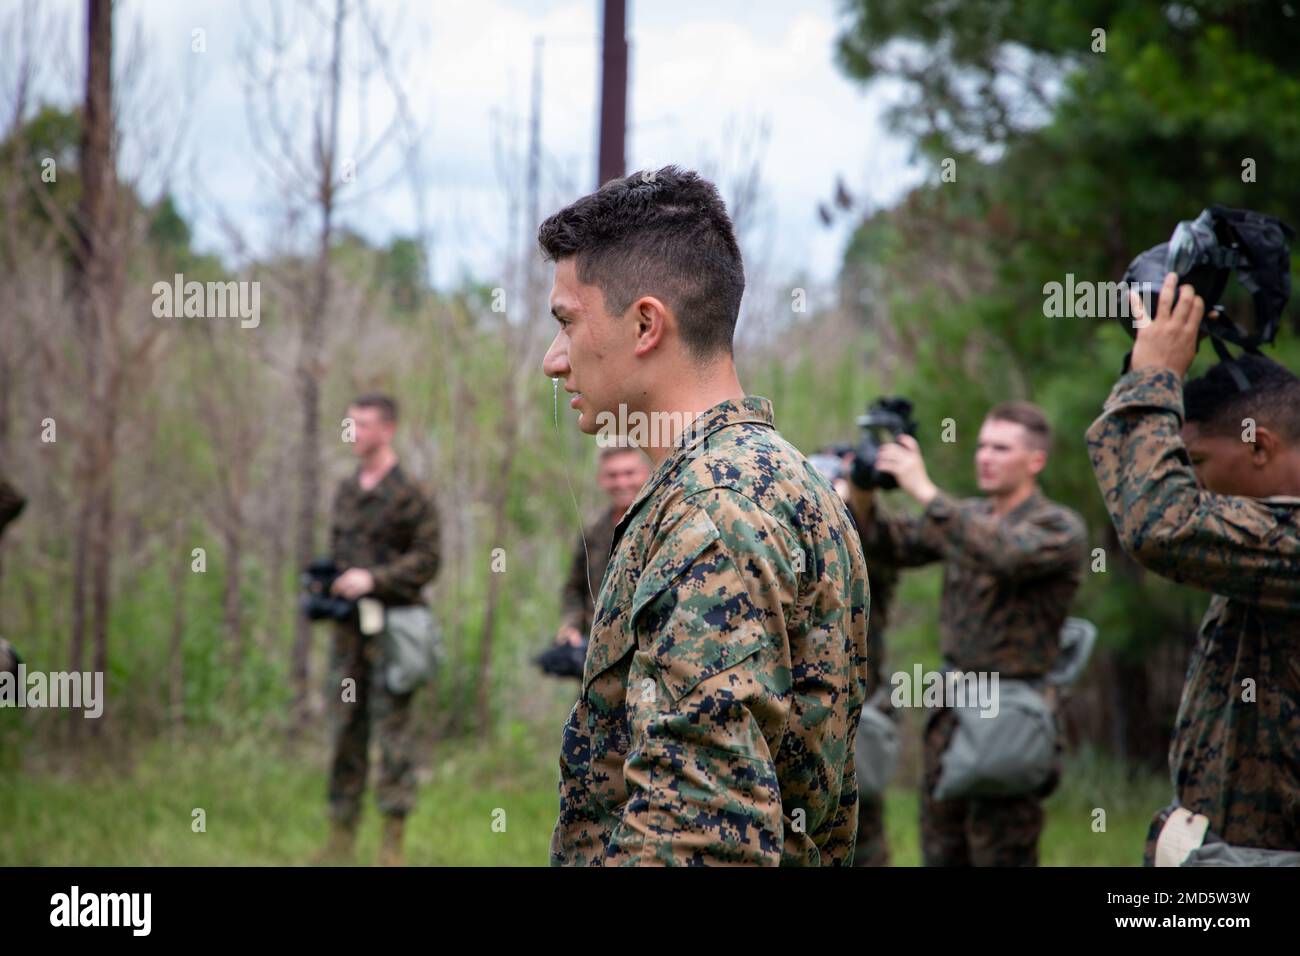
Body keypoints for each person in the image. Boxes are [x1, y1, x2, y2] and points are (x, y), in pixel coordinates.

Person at [540, 166, 870, 866]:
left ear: (644, 324)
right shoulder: (784, 479)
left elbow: (698, 835)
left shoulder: (713, 513)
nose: (553, 361)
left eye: (567, 322)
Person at [1087, 274, 1300, 861]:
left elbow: (1161, 524)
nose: (1194, 478)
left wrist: (1153, 378)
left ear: (1260, 447)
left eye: (1198, 459)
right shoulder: (1264, 534)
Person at [845, 402, 1086, 866]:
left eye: (1000, 448)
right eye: (980, 446)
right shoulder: (966, 516)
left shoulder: (1058, 528)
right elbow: (890, 546)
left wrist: (925, 491)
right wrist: (863, 492)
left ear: (1035, 460)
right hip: (951, 713)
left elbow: (1004, 554)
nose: (984, 457)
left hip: (1008, 713)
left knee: (1001, 852)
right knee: (941, 850)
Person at [316, 393, 441, 867]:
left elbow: (428, 561)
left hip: (394, 631)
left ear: (387, 429)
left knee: (393, 736)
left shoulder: (411, 492)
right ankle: (339, 839)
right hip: (349, 635)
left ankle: (392, 846)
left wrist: (376, 580)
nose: (353, 434)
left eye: (362, 425)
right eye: (349, 425)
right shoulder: (347, 490)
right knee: (344, 732)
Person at [556, 445, 650, 649]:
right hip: (598, 652)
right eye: (612, 475)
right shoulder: (593, 530)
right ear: (601, 479)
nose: (621, 482)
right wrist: (570, 627)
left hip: (645, 652)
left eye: (629, 473)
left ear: (645, 473)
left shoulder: (660, 522)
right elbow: (574, 588)